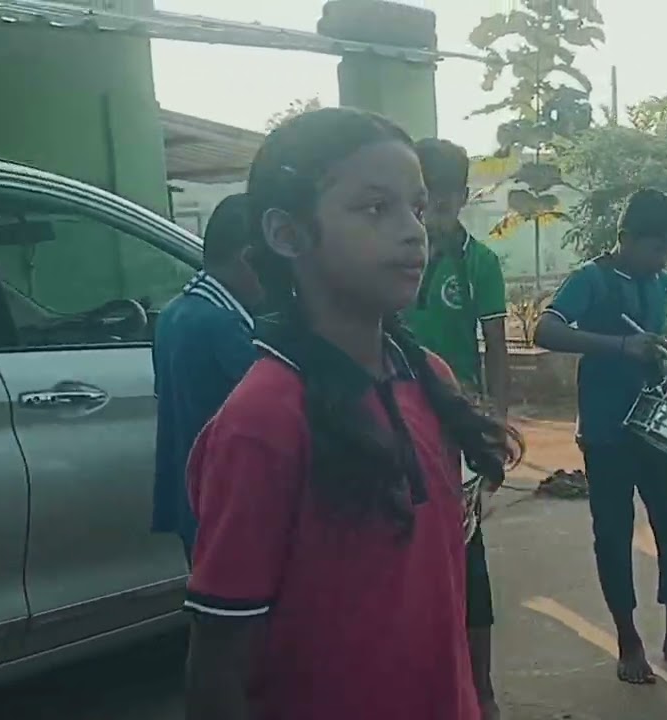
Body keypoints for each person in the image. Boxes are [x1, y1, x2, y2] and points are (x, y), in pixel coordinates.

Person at [183, 108, 524, 720]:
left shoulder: (429, 378)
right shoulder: (263, 419)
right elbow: (220, 661)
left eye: (416, 208)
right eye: (375, 208)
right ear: (288, 234)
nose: (414, 232)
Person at [533, 188, 667, 685]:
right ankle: (629, 641)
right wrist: (621, 345)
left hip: (655, 424)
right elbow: (545, 331)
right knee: (614, 534)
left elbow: (650, 344)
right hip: (606, 430)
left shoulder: (660, 281)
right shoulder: (591, 278)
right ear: (624, 237)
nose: (663, 259)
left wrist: (663, 354)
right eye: (656, 248)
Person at [404, 137, 510, 720]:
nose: (436, 209)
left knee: (469, 554)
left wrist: (495, 421)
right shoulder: (393, 256)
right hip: (393, 421)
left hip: (455, 427)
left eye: (446, 197)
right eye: (427, 196)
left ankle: (481, 690)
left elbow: (495, 346)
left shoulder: (480, 264)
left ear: (463, 197)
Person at [152, 193, 262, 562]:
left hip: (191, 501)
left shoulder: (175, 313)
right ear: (249, 259)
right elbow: (271, 402)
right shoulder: (225, 326)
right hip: (227, 500)